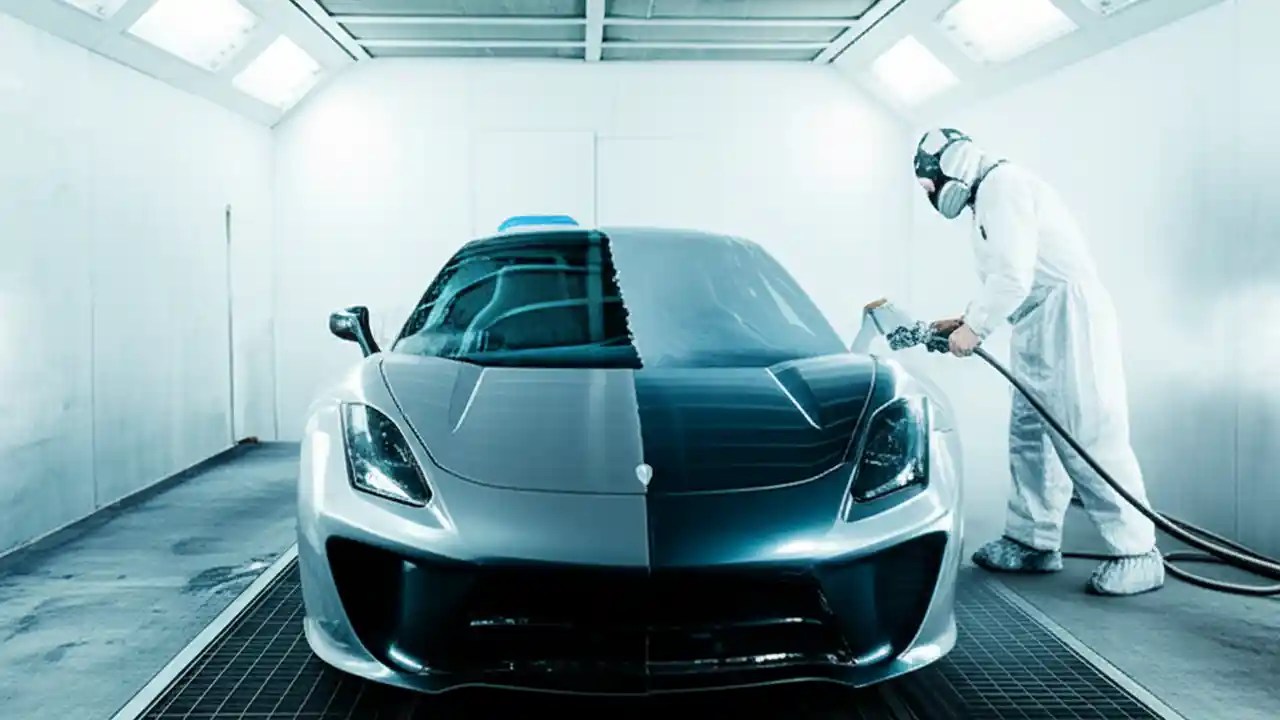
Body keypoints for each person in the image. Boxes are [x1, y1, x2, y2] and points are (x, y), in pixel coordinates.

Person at [913, 127, 1164, 596]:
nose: (932, 193)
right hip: (1035, 319)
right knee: (1031, 435)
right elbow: (1006, 277)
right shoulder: (986, 196)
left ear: (957, 161)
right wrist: (965, 317)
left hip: (1069, 315)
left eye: (931, 182)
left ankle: (1137, 552)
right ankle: (1033, 541)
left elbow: (1013, 274)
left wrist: (976, 330)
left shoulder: (1002, 186)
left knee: (1087, 431)